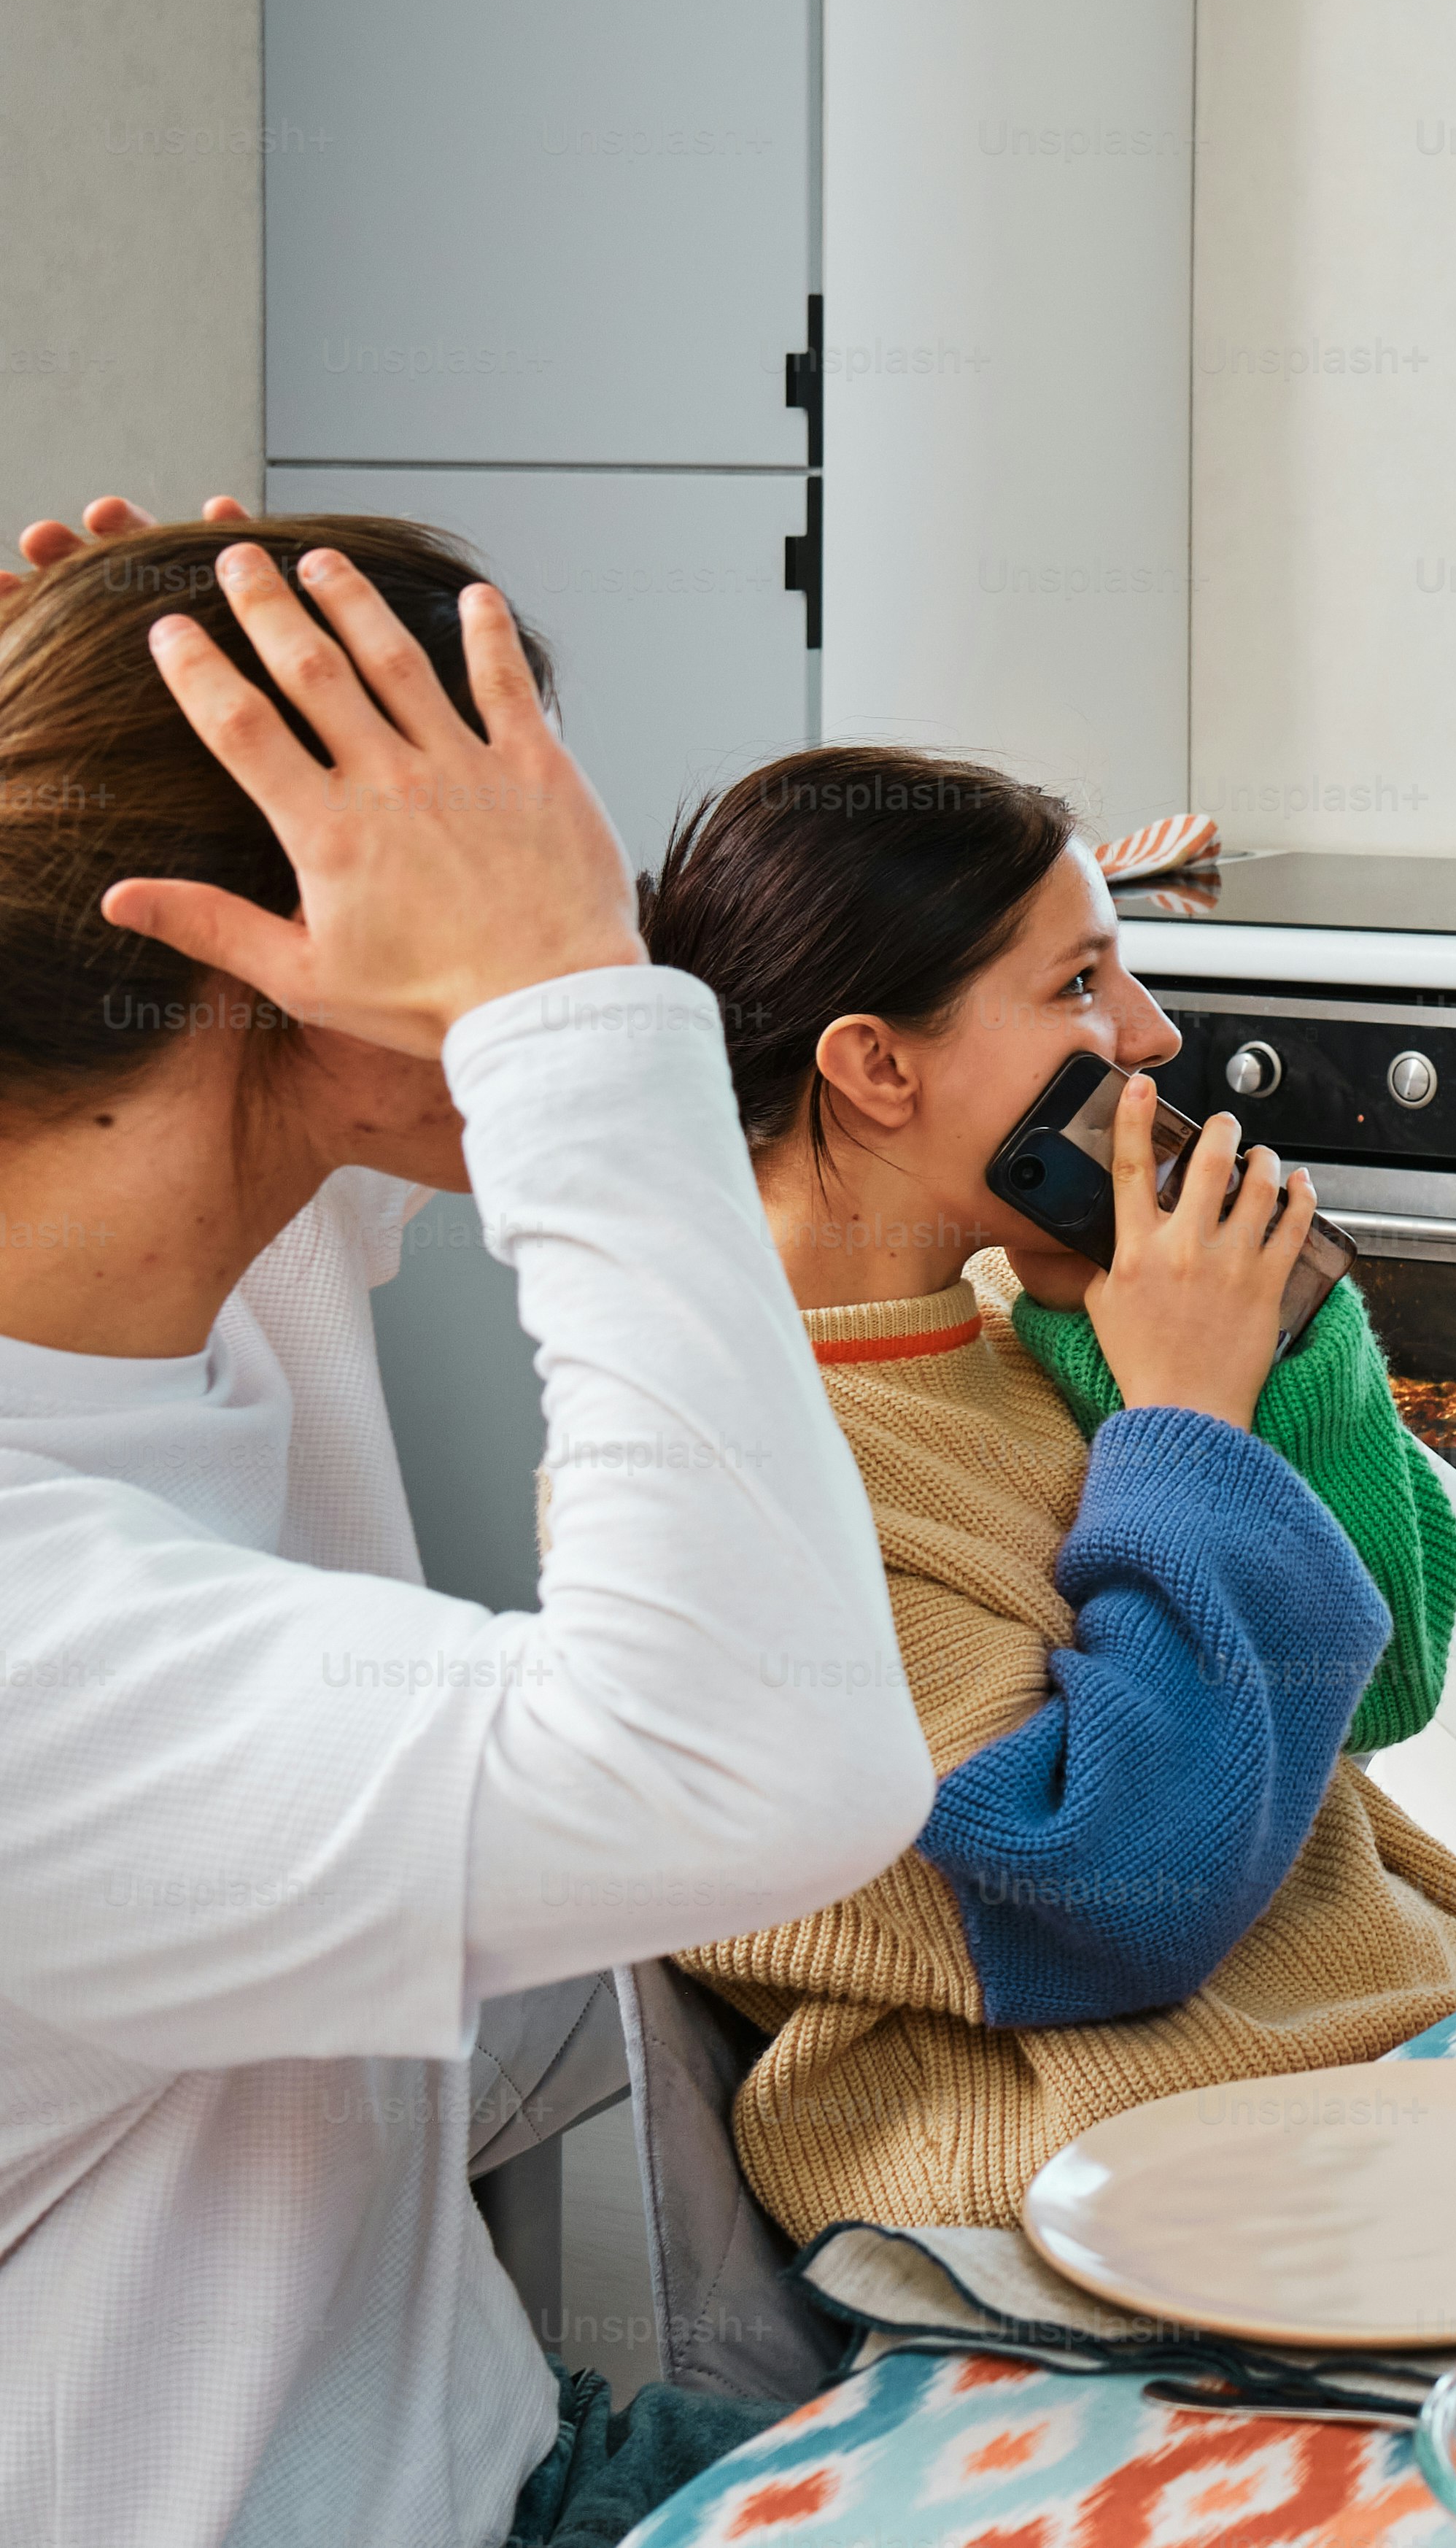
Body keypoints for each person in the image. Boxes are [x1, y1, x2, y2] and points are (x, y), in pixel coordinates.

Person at [0, 506, 934, 2546]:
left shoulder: (190, 1247)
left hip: (507, 2449)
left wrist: (104, 718)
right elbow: (761, 1754)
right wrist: (568, 1010)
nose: (591, 918)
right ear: (265, 959)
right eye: (515, 864)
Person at [636, 749, 1456, 2241]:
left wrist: (1275, 1353)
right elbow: (1112, 1894)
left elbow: (1378, 1691)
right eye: (1078, 987)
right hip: (1135, 2173)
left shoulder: (1016, 1318)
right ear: (877, 1066)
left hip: (1387, 2049)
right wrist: (1180, 1415)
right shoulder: (717, 1481)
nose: (1153, 1035)